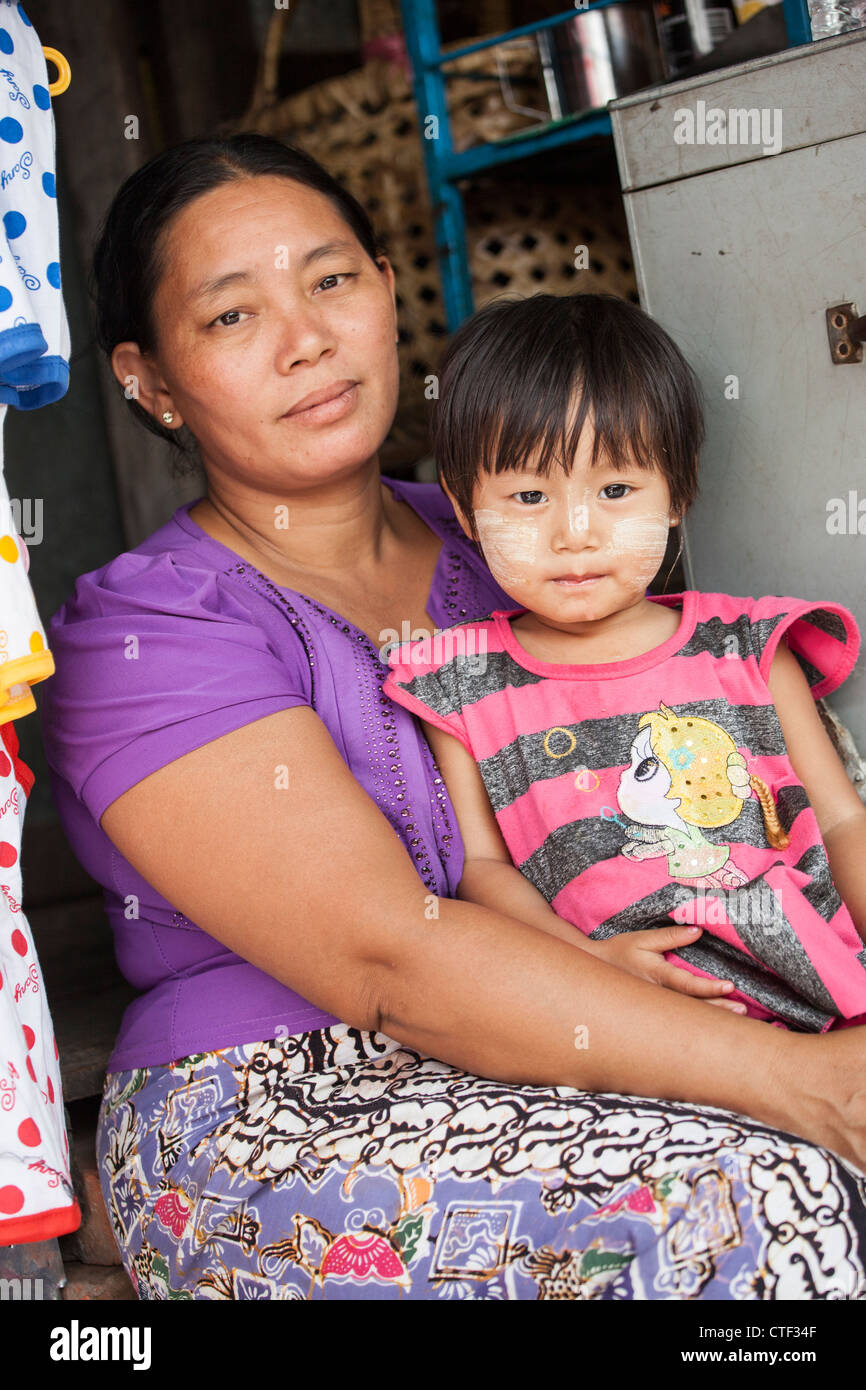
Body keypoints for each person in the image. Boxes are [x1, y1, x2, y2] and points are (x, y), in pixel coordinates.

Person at [39, 133, 866, 1302]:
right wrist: (800, 1081)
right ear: (151, 379)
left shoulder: (533, 534)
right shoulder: (146, 633)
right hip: (286, 1094)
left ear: (386, 287)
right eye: (232, 316)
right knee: (752, 1195)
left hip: (619, 1026)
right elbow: (389, 956)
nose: (306, 339)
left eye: (330, 279)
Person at [383, 292, 866, 1037]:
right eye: (528, 495)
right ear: (464, 505)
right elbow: (483, 871)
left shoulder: (747, 646)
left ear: (676, 489)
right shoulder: (462, 684)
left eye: (614, 490)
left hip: (817, 984)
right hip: (618, 1016)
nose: (575, 533)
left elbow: (839, 821)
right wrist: (591, 962)